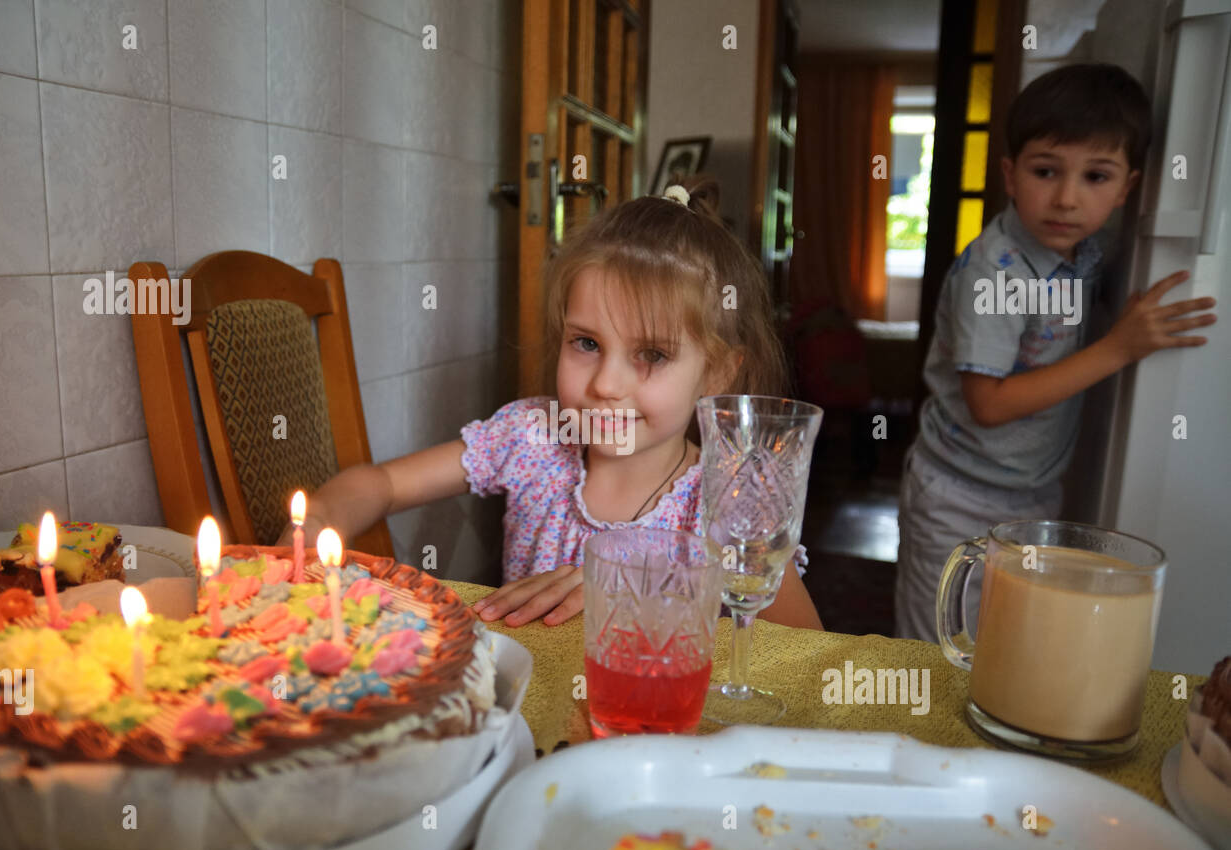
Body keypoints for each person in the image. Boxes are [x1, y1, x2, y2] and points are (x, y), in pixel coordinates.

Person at [282, 178, 824, 631]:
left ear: (718, 372)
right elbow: (385, 484)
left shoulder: (724, 498)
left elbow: (805, 642)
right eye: (586, 343)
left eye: (652, 354)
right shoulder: (533, 436)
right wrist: (322, 518)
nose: (607, 384)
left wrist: (652, 586)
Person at [894, 63, 1217, 642]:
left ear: (1127, 188)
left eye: (1096, 176)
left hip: (1031, 490)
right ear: (1011, 176)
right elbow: (987, 403)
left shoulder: (1083, 251)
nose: (1067, 199)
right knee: (937, 648)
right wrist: (1119, 347)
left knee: (1002, 641)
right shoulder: (996, 272)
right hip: (957, 492)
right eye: (1047, 172)